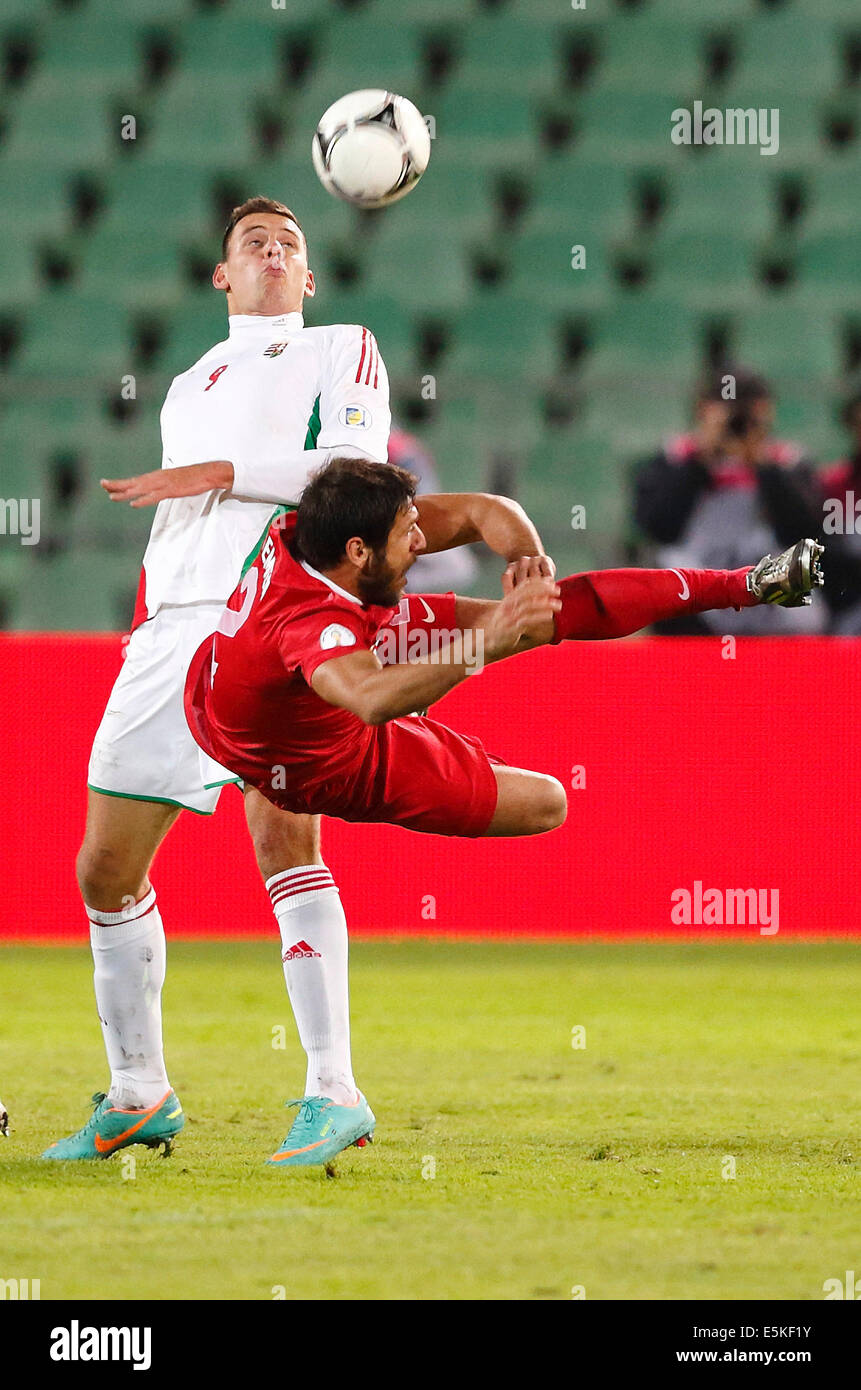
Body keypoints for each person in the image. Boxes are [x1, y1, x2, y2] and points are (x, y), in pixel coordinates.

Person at [42, 193, 557, 1163]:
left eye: (289, 243)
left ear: (308, 278)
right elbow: (174, 513)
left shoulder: (340, 346)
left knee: (281, 836)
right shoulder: (187, 383)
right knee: (103, 869)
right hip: (168, 635)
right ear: (221, 274)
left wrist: (226, 470)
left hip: (273, 615)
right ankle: (138, 1090)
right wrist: (159, 596)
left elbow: (358, 470)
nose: (271, 251)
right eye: (251, 242)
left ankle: (332, 1088)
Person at [183, 456, 824, 1167]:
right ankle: (327, 1090)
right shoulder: (313, 625)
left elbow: (490, 510)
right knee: (545, 802)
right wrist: (482, 646)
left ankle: (746, 583)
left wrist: (529, 567)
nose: (421, 545)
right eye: (407, 537)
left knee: (536, 619)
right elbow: (366, 699)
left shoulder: (314, 532)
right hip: (331, 761)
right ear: (359, 551)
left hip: (248, 701)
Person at [633, 366, 826, 635]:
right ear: (702, 411)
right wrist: (700, 462)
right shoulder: (676, 458)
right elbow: (659, 529)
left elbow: (803, 532)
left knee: (808, 614)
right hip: (698, 584)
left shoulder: (786, 462)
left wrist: (761, 463)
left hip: (769, 583)